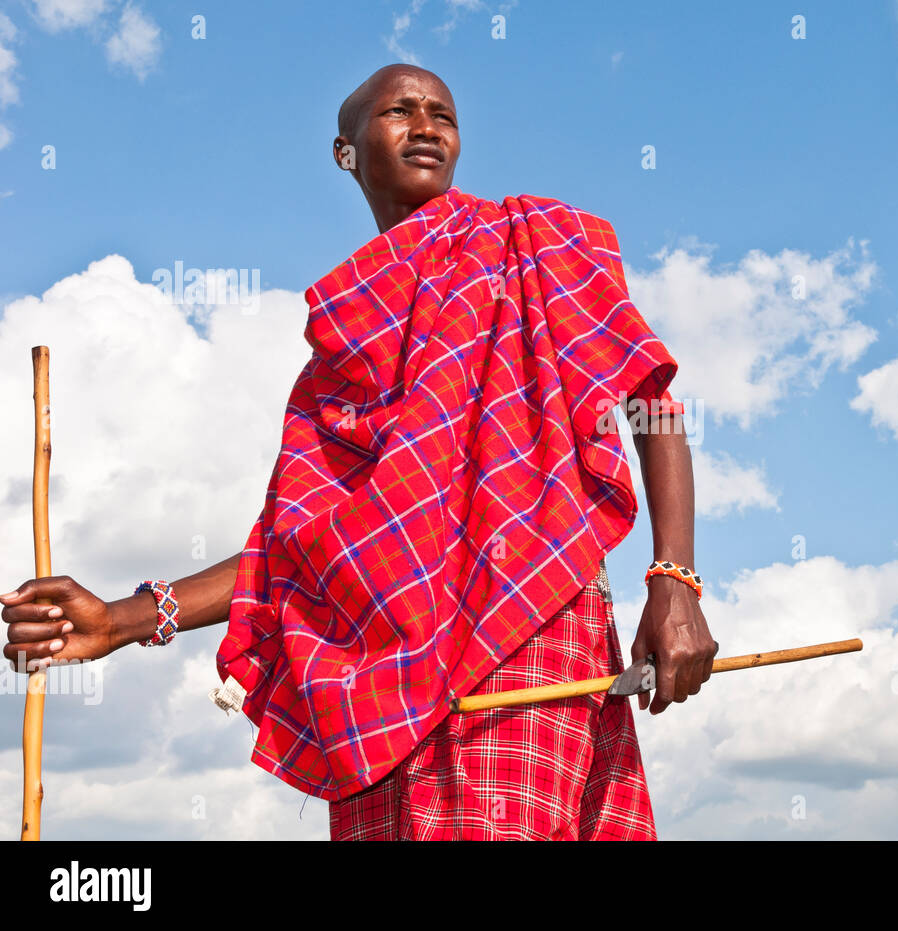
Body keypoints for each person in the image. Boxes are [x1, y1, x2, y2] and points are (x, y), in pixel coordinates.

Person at [2, 63, 717, 840]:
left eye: (442, 114)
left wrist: (674, 579)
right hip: (378, 694)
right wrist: (119, 619)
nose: (426, 125)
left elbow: (648, 399)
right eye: (399, 110)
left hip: (524, 644)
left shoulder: (528, 243)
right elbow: (295, 558)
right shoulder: (337, 359)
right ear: (346, 152)